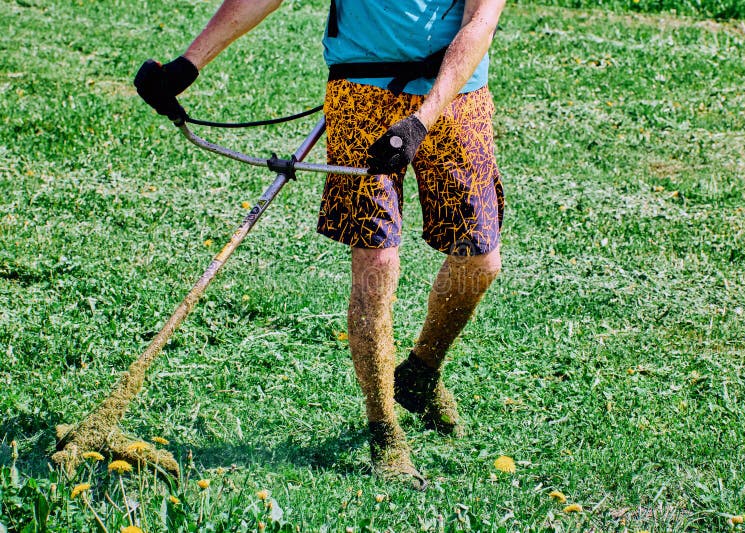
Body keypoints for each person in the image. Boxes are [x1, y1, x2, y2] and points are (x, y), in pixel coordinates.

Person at [134, 0, 505, 490]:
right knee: (375, 262)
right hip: (361, 94)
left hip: (457, 96)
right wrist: (188, 64)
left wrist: (421, 119)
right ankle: (384, 431)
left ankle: (421, 370)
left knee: (479, 259)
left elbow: (480, 22)